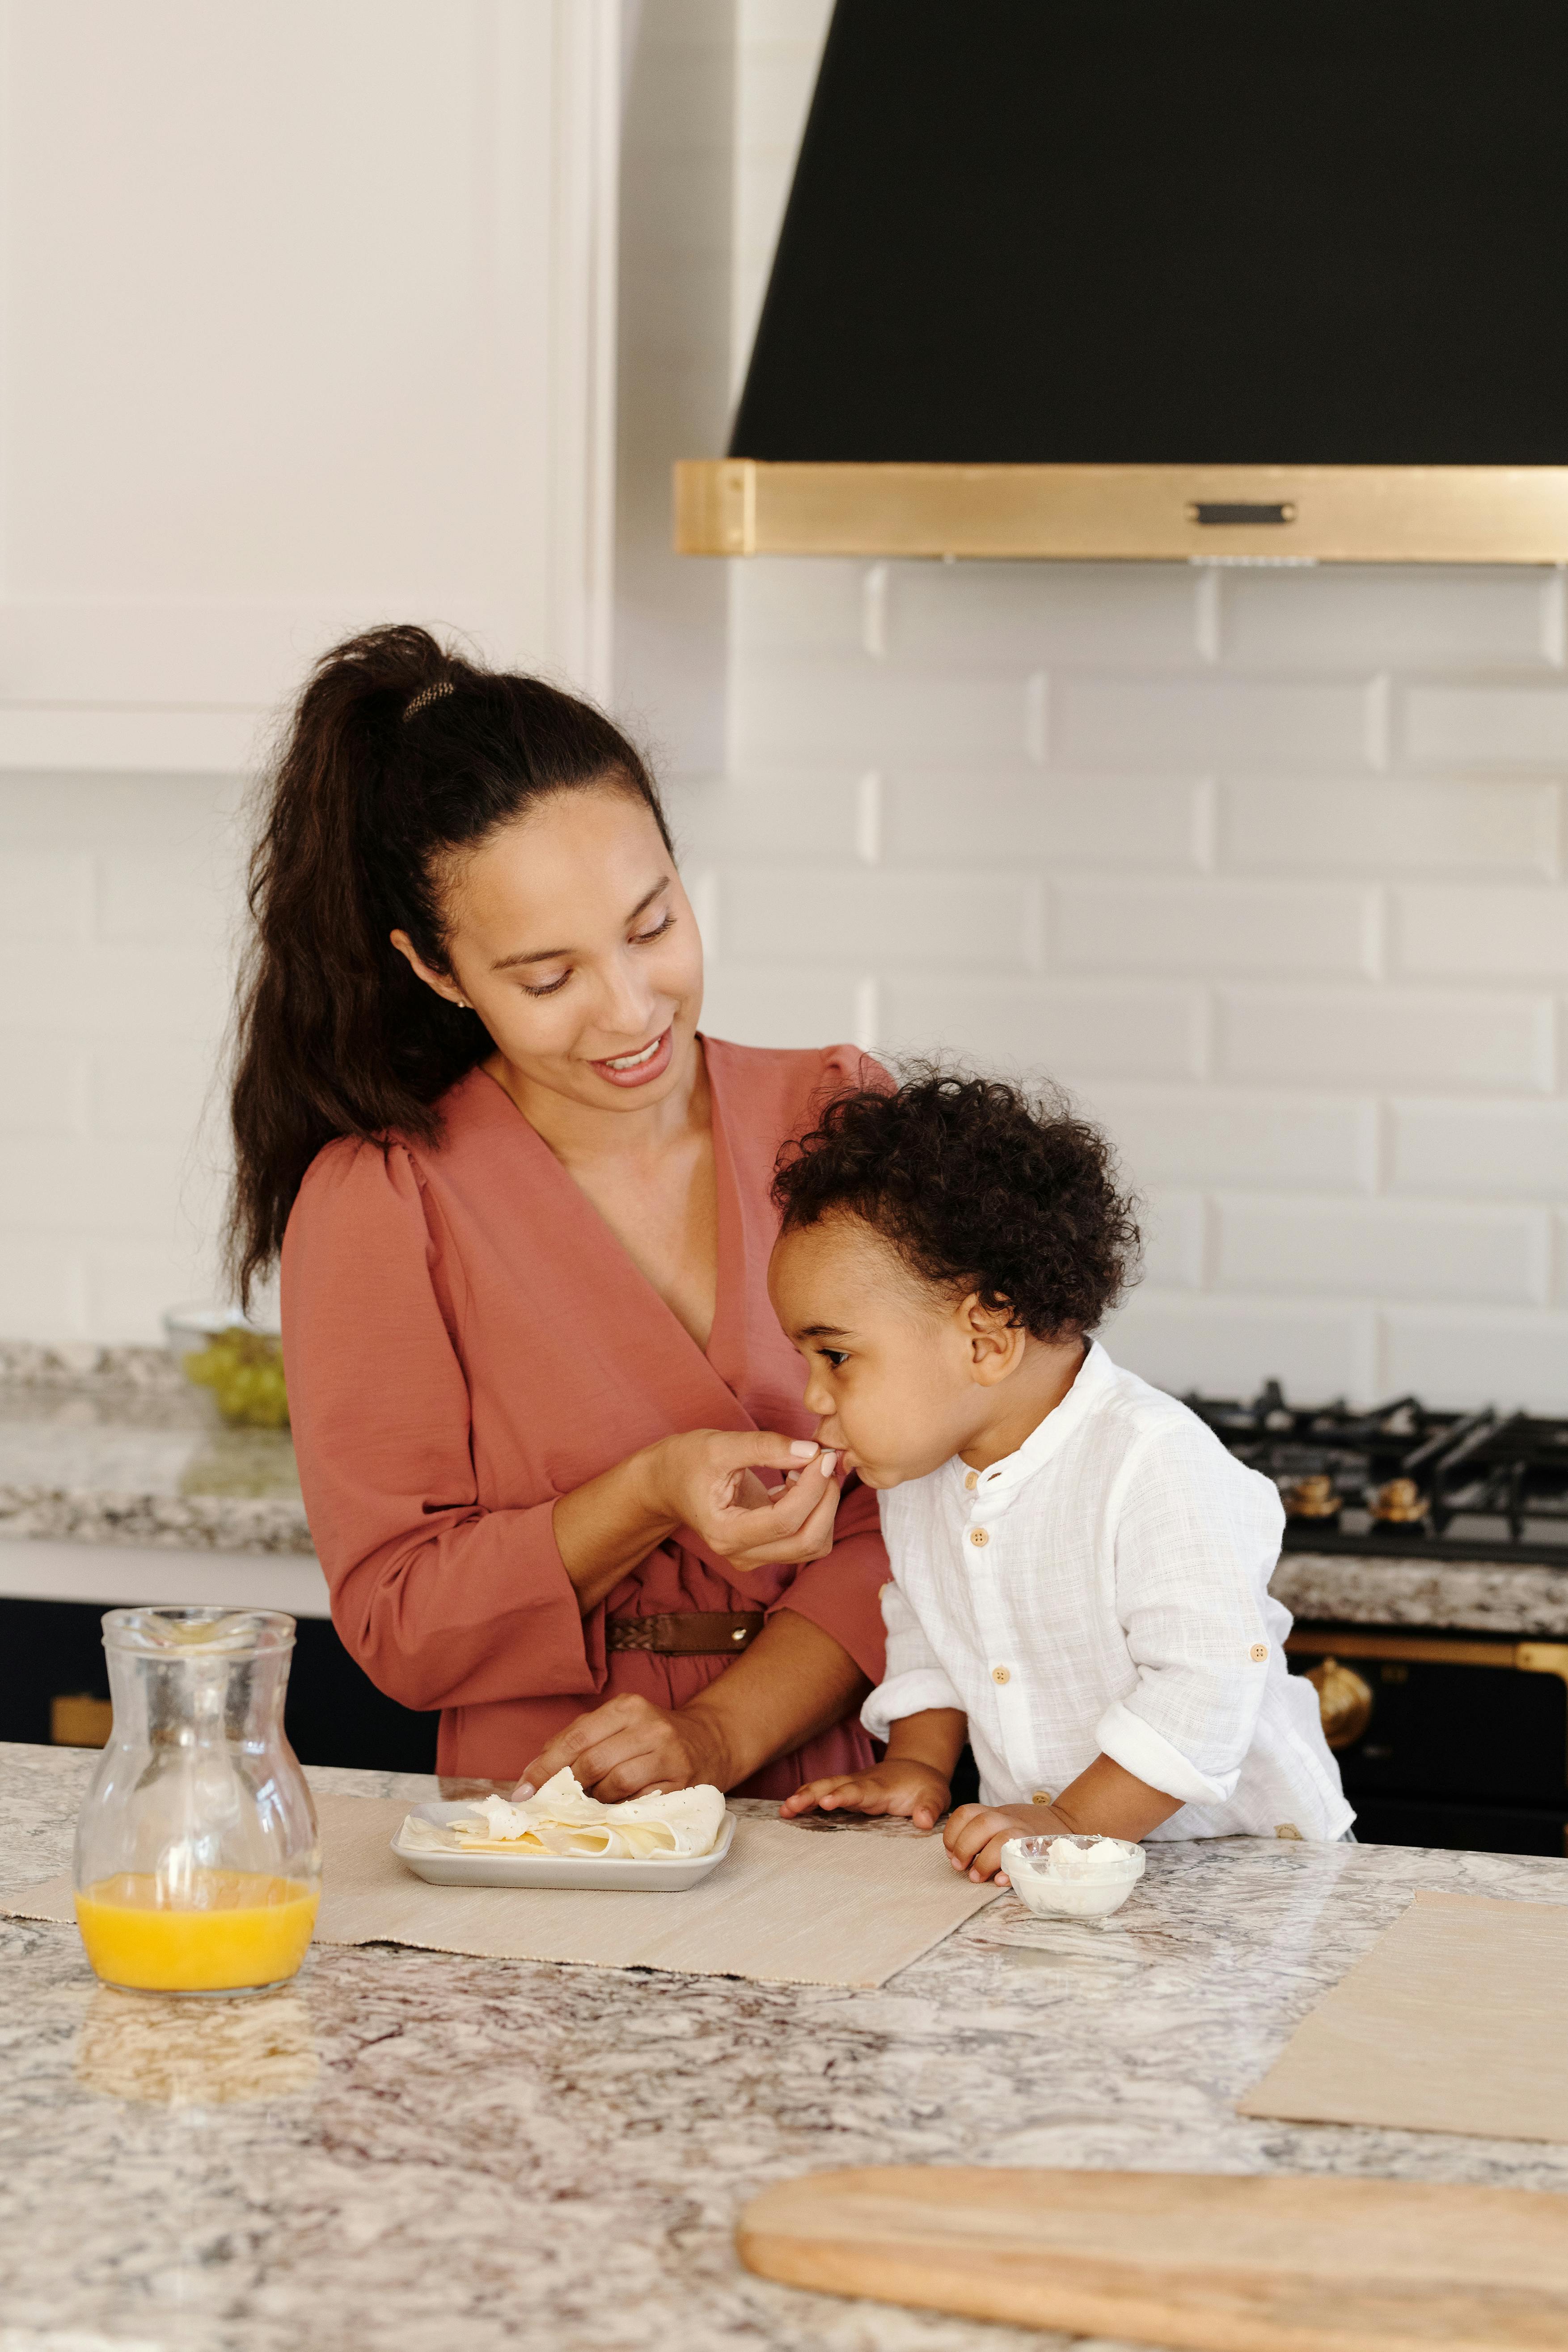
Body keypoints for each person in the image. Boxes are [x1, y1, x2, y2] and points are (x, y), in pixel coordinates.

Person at [228, 625, 888, 1794]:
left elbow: (943, 1511)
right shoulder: (387, 1201)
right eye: (548, 977)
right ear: (436, 970)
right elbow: (401, 1620)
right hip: (549, 1806)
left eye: (652, 926)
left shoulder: (836, 1117)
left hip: (839, 1795)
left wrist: (720, 1732)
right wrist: (646, 1490)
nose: (629, 1010)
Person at [765, 1070, 1352, 1880]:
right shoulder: (922, 1478)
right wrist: (917, 1764)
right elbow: (929, 1628)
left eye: (835, 1355)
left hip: (1246, 1872)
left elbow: (1208, 1682)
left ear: (987, 1340)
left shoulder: (1153, 1462)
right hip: (1061, 1868)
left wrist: (1076, 1822)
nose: (811, 1396)